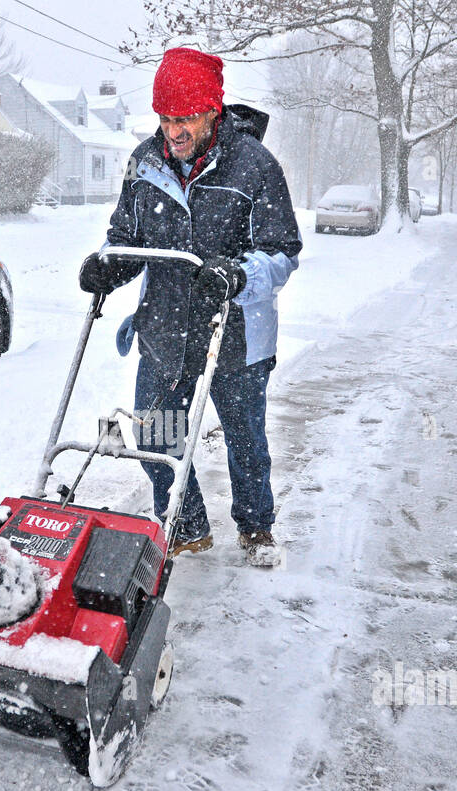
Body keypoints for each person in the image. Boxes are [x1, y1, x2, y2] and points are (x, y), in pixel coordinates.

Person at [77, 46, 301, 567]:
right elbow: (126, 236)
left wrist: (239, 273)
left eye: (187, 119)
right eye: (166, 119)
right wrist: (110, 265)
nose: (174, 132)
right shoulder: (145, 161)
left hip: (236, 326)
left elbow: (283, 252)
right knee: (155, 434)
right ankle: (187, 525)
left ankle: (255, 527)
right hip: (164, 326)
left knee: (244, 438)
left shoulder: (254, 167)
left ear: (213, 112)